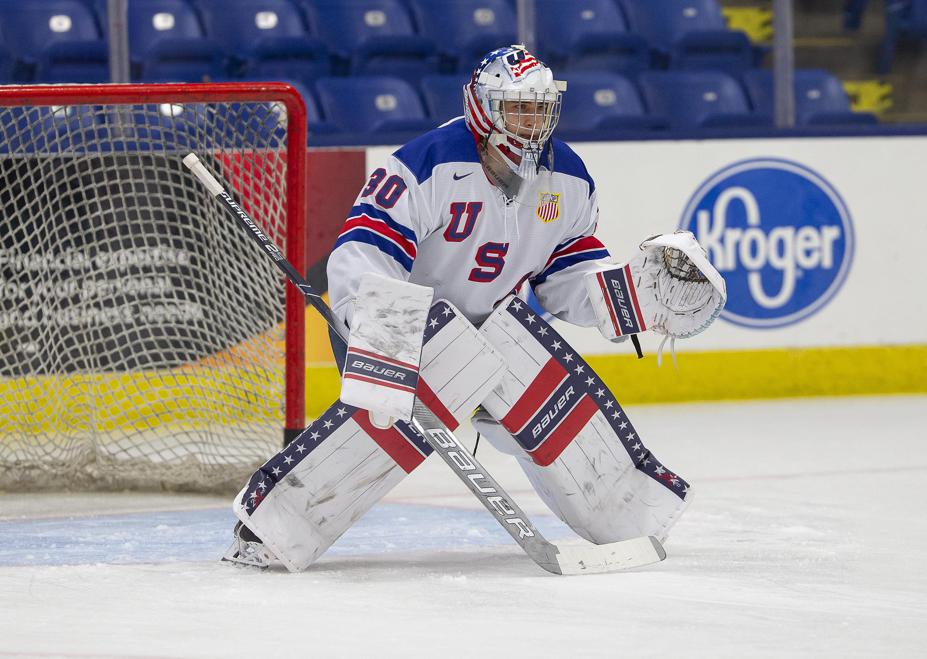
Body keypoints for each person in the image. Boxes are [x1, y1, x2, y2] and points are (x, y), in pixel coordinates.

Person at [223, 45, 726, 571]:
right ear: (482, 107)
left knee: (557, 406)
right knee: (385, 425)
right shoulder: (426, 164)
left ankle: (629, 516)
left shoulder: (570, 178)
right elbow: (364, 253)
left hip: (493, 330)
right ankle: (271, 526)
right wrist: (383, 337)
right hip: (400, 327)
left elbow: (563, 277)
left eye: (539, 109)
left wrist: (627, 298)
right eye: (516, 108)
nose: (530, 123)